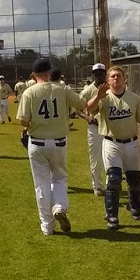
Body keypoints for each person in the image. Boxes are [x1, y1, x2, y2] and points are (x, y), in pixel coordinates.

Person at [85, 65, 140, 230]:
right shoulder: (104, 98)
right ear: (108, 80)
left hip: (131, 143)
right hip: (111, 143)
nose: (116, 79)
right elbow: (89, 109)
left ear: (124, 78)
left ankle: (135, 206)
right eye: (112, 76)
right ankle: (112, 215)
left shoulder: (134, 98)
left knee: (134, 180)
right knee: (114, 180)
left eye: (119, 76)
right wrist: (98, 96)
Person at [16, 57, 87, 235]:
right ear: (49, 73)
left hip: (37, 143)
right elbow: (82, 104)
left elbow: (23, 120)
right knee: (60, 178)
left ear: (33, 75)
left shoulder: (29, 92)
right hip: (59, 142)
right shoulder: (62, 89)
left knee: (42, 184)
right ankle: (59, 207)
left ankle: (47, 226)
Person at [78, 63, 108, 195]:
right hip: (94, 128)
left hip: (110, 127)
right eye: (96, 73)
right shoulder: (87, 91)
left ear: (105, 74)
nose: (99, 75)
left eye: (101, 73)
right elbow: (77, 109)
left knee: (110, 157)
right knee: (95, 158)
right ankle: (97, 185)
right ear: (92, 75)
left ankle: (111, 184)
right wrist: (87, 117)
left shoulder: (110, 88)